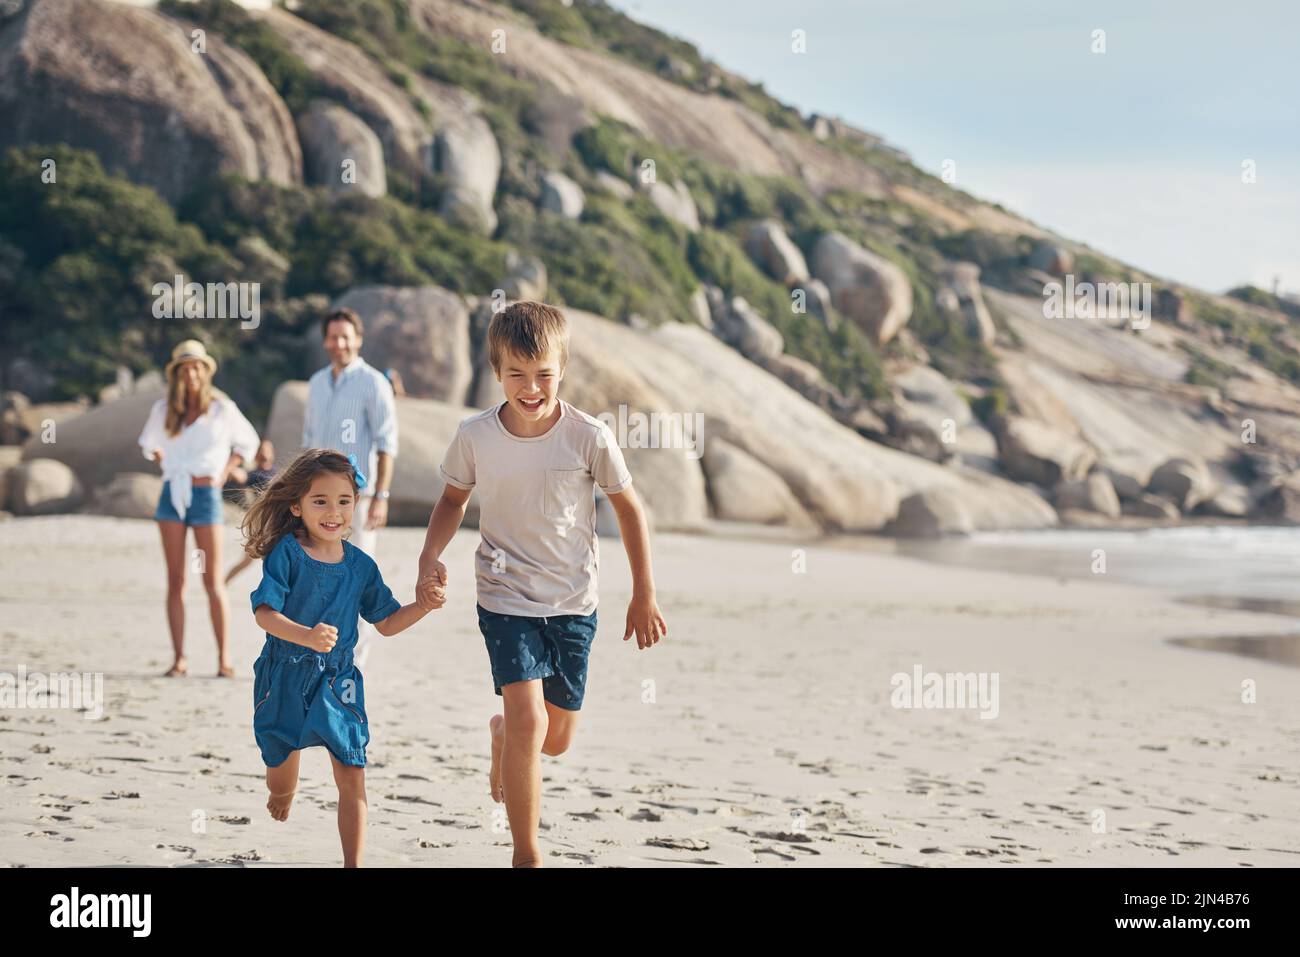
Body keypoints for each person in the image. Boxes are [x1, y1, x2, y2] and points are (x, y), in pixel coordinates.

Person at [417, 300, 667, 868]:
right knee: (532, 719)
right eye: (517, 375)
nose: (531, 388)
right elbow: (453, 499)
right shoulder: (475, 435)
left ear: (563, 369)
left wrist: (643, 591)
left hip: (574, 601)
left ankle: (502, 735)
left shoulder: (589, 436)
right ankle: (526, 854)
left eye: (544, 375)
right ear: (496, 370)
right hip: (503, 594)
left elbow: (629, 510)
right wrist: (430, 555)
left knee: (553, 740)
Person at [242, 448, 444, 867]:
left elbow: (386, 623)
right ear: (296, 506)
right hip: (284, 674)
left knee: (352, 772)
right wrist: (306, 636)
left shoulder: (361, 566)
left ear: (356, 503)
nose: (333, 512)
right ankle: (282, 791)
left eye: (344, 501)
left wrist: (421, 605)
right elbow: (265, 614)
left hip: (340, 681)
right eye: (320, 501)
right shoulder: (287, 553)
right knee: (281, 776)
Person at [137, 339, 261, 678]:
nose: (191, 372)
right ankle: (179, 659)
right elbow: (148, 445)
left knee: (212, 580)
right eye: (184, 367)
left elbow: (247, 442)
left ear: (205, 371)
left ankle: (223, 659)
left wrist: (225, 471)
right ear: (176, 374)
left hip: (205, 495)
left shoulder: (222, 409)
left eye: (196, 366)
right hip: (172, 495)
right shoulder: (164, 410)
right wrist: (164, 457)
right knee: (176, 579)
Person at [302, 308, 398, 669]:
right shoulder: (316, 383)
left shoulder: (374, 383)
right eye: (333, 337)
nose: (339, 343)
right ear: (325, 340)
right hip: (316, 499)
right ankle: (319, 652)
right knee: (316, 575)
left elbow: (387, 444)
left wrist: (381, 497)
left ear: (358, 339)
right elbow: (309, 442)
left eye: (346, 337)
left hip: (359, 497)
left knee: (355, 576)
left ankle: (353, 662)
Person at [224, 439, 278, 584]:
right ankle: (222, 583)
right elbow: (240, 475)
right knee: (247, 560)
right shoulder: (254, 474)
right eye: (261, 451)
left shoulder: (279, 473)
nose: (265, 454)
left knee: (278, 560)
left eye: (267, 450)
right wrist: (228, 468)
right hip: (262, 524)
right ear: (255, 455)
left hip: (280, 523)